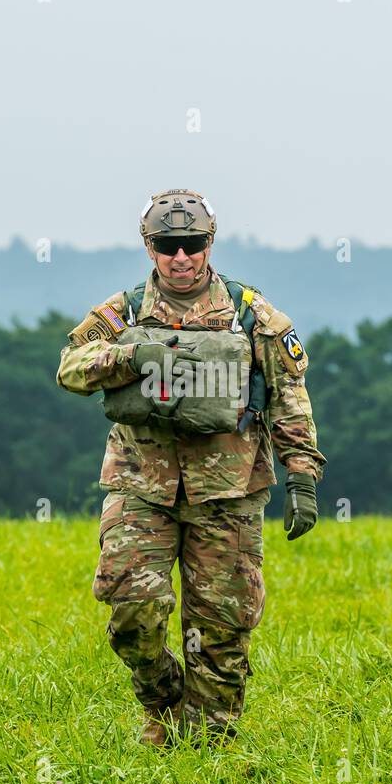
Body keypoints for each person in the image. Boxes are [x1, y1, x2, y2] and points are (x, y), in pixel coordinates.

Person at [56, 189, 324, 747]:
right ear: (150, 249)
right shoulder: (124, 310)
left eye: (192, 245)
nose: (181, 258)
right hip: (139, 486)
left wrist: (301, 476)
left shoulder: (251, 315)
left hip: (228, 491)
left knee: (222, 628)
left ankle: (208, 748)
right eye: (168, 246)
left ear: (209, 244)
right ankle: (164, 701)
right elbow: (71, 368)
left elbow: (288, 394)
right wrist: (129, 357)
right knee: (131, 606)